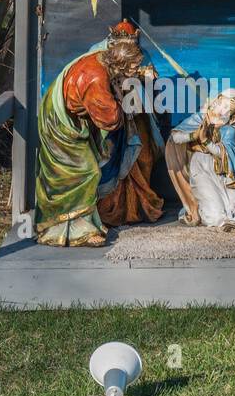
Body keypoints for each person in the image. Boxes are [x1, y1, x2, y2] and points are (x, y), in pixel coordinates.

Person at [34, 21, 162, 246]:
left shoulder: (105, 61)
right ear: (121, 62)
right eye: (131, 69)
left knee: (86, 170)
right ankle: (65, 228)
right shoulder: (96, 78)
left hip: (76, 117)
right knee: (84, 172)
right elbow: (111, 120)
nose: (134, 73)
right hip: (60, 121)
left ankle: (80, 224)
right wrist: (124, 99)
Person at [165, 88, 235, 227]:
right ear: (217, 102)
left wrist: (205, 140)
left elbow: (223, 153)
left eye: (229, 110)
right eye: (223, 105)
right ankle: (195, 209)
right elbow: (175, 137)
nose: (223, 111)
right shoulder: (200, 118)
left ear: (233, 115)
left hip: (224, 172)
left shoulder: (230, 130)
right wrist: (193, 136)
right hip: (201, 167)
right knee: (216, 218)